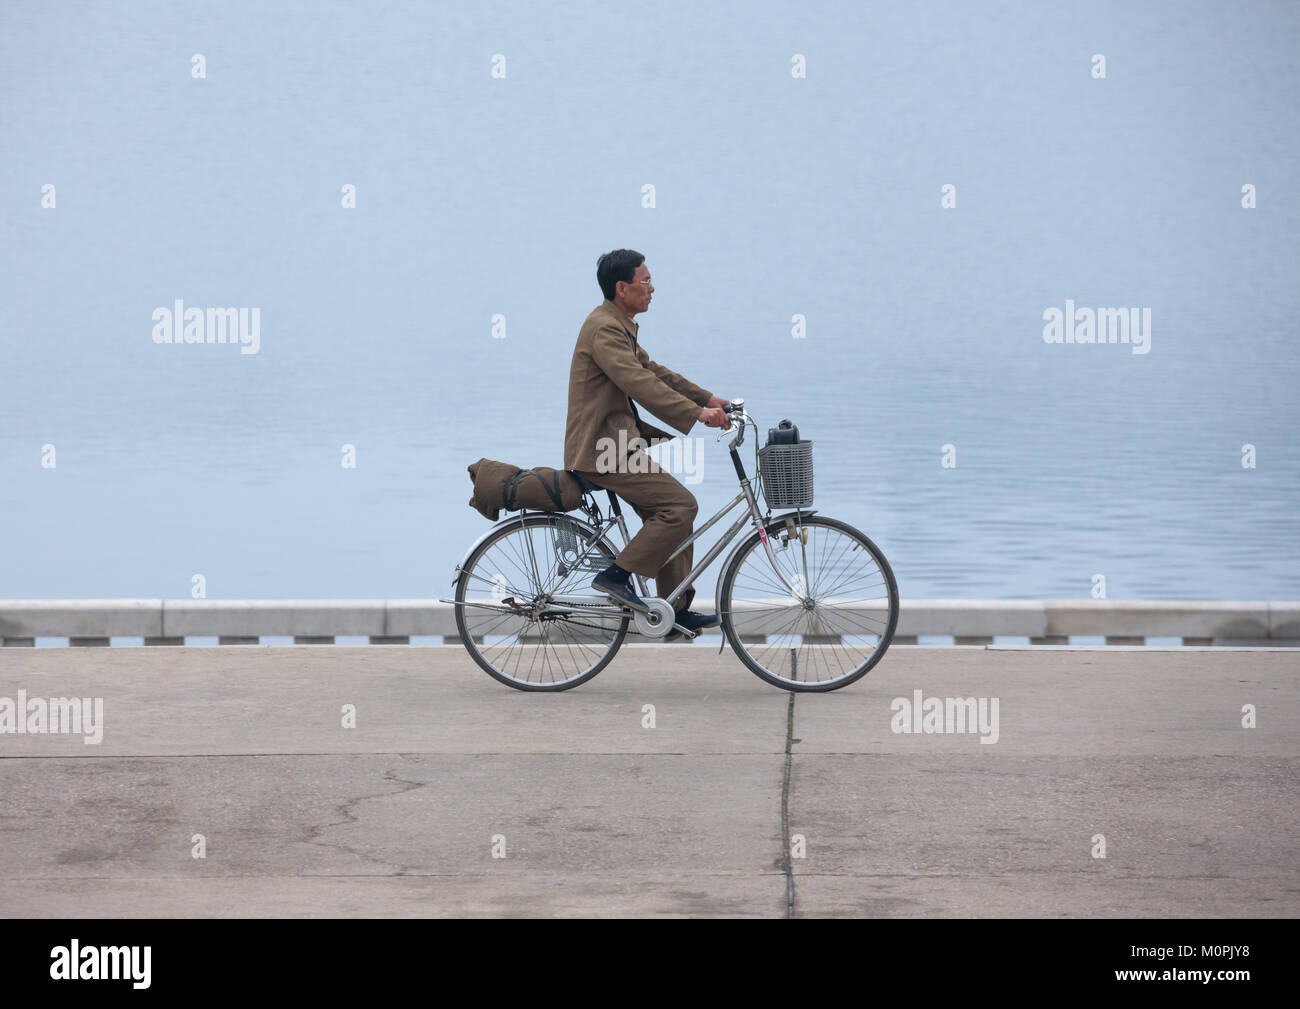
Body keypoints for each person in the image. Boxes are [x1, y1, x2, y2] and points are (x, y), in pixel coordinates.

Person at [564, 249, 732, 640]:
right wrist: (695, 414)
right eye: (645, 281)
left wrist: (706, 399)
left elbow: (653, 371)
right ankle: (616, 575)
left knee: (671, 514)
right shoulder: (604, 329)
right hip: (601, 451)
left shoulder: (616, 324)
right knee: (680, 506)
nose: (652, 288)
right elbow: (638, 383)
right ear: (622, 288)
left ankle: (673, 611)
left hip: (616, 446)